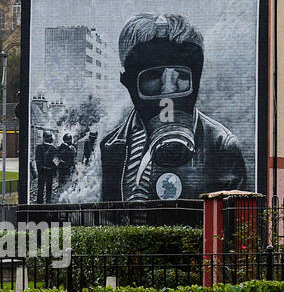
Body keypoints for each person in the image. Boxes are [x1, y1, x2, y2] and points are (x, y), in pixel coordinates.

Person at [101, 13, 249, 201]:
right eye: (154, 75)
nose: (169, 89)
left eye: (181, 75)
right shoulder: (112, 145)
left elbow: (234, 219)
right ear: (127, 82)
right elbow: (107, 219)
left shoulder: (220, 145)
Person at [33, 131, 56, 204]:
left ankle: (40, 202)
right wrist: (54, 171)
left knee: (40, 187)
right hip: (50, 171)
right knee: (49, 187)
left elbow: (37, 160)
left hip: (42, 171)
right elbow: (55, 161)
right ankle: (48, 201)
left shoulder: (39, 147)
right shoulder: (53, 148)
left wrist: (39, 169)